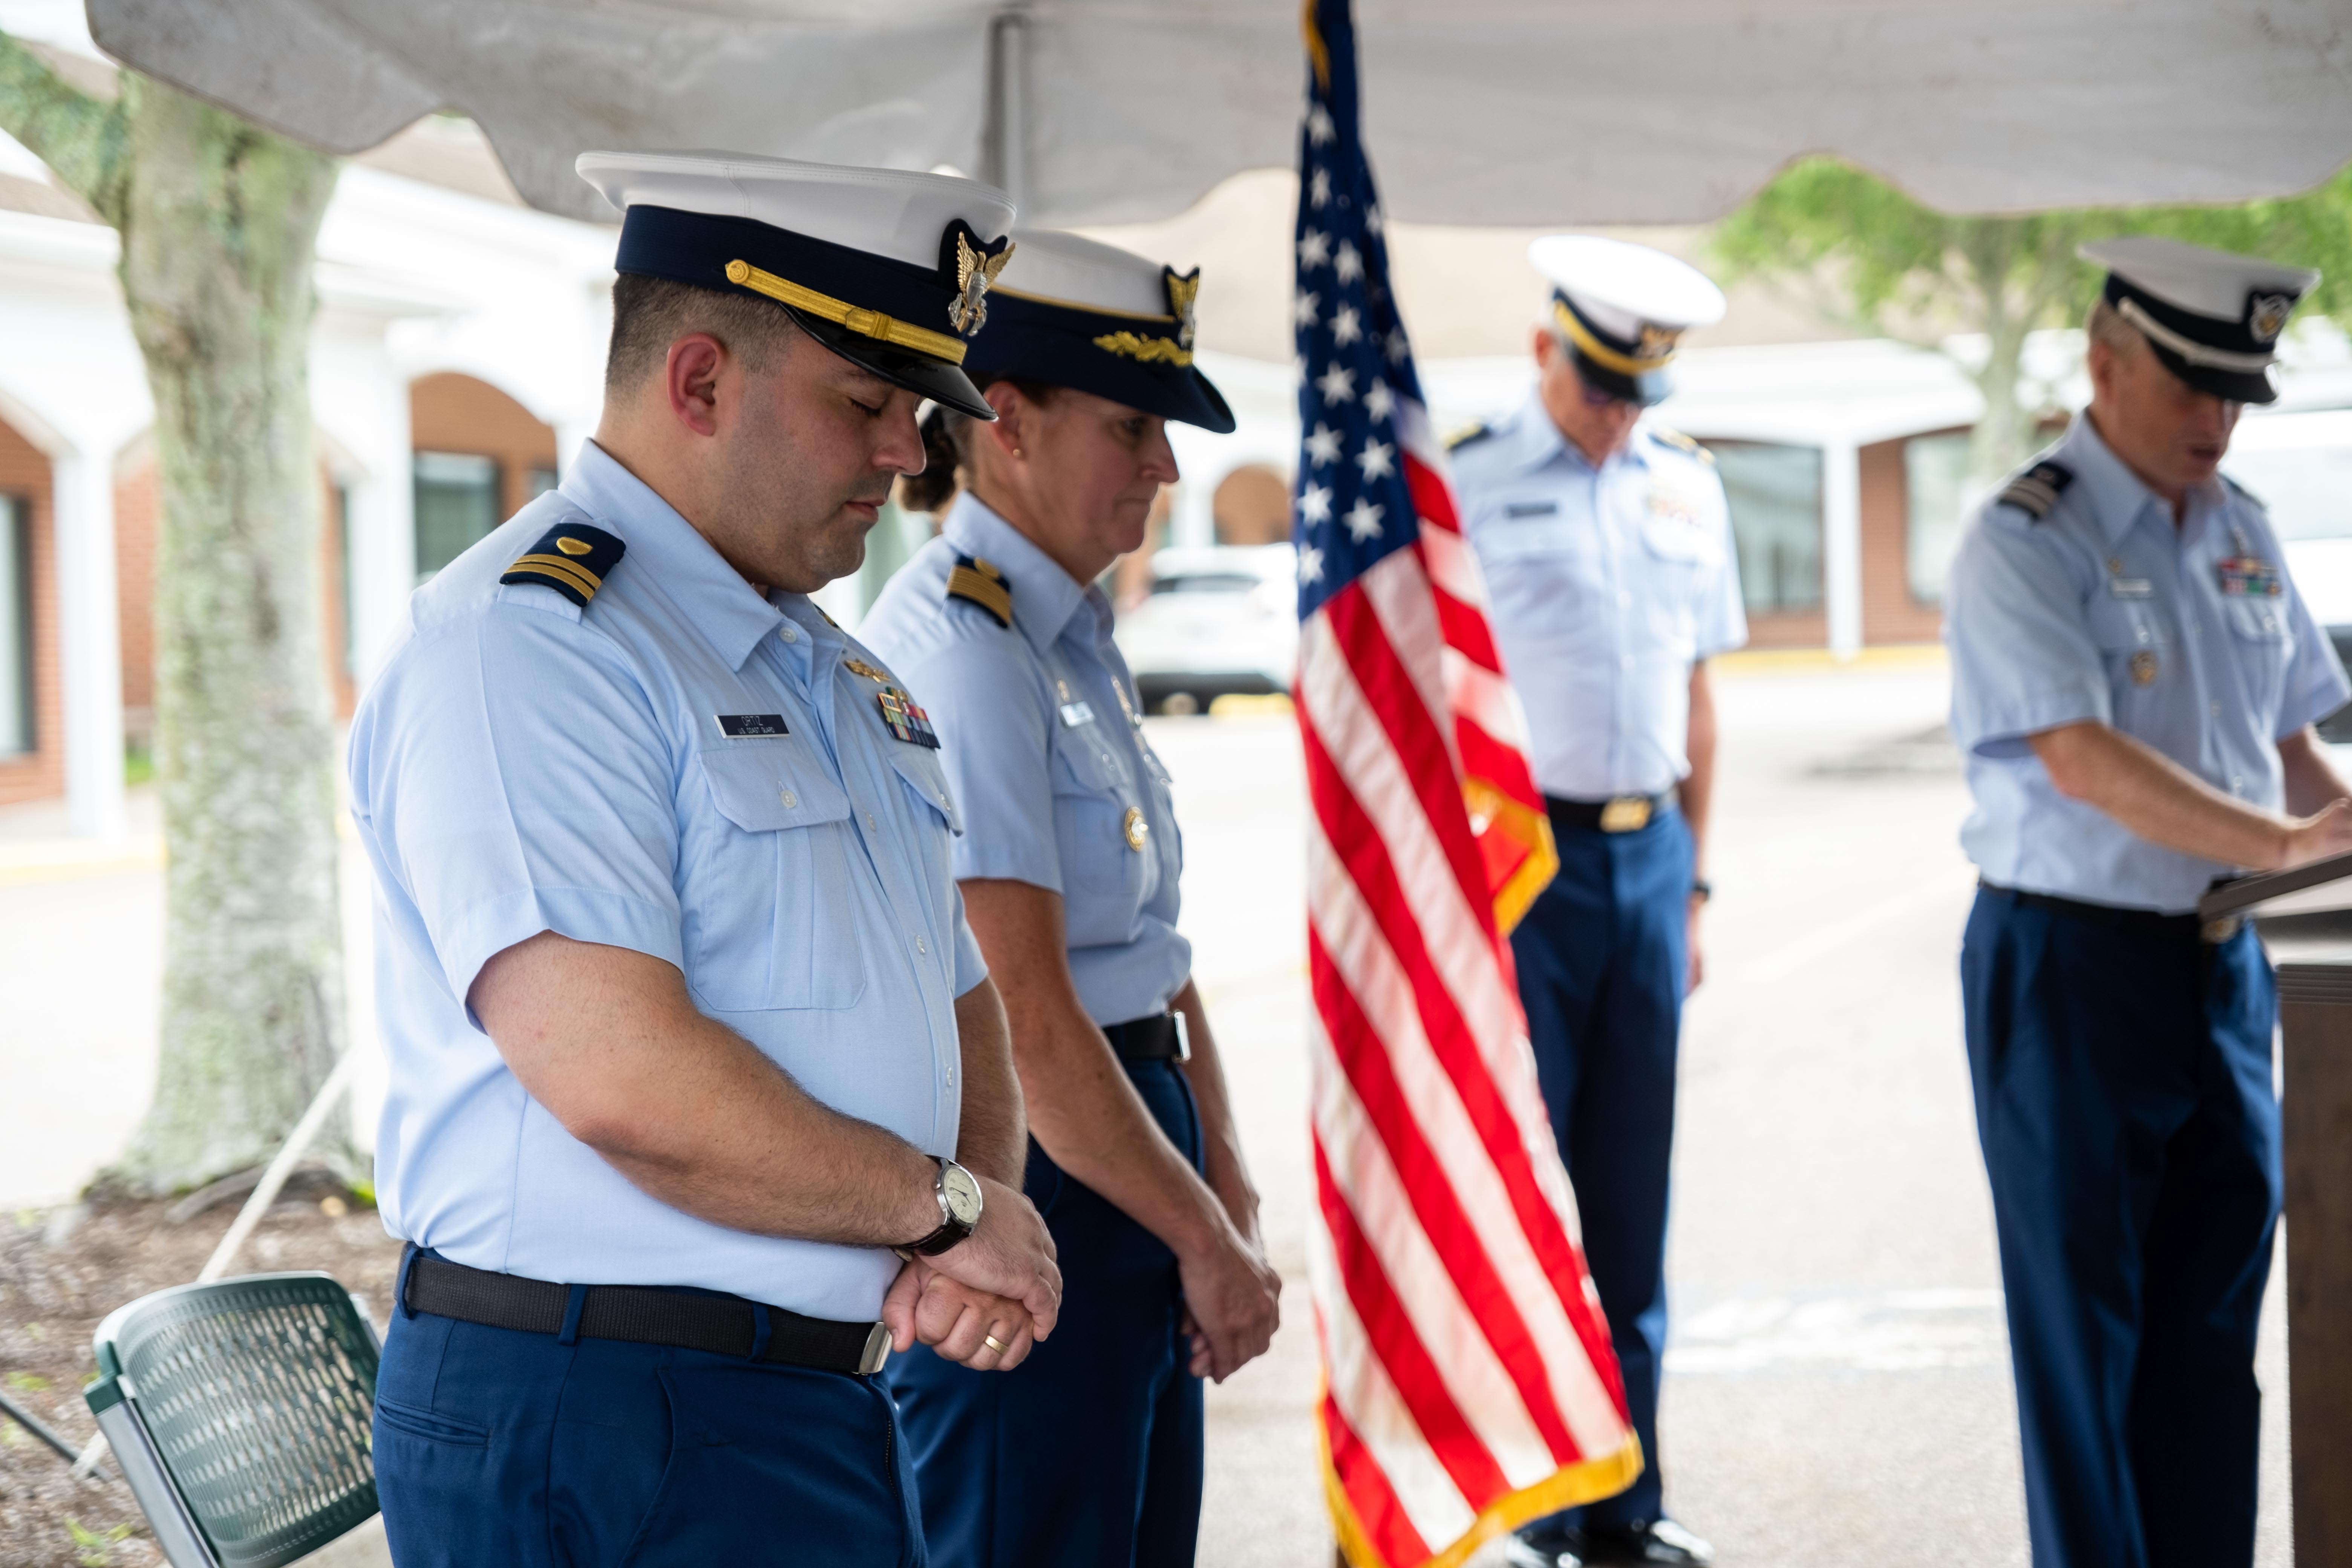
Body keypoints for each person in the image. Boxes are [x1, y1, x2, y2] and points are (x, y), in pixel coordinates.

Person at [349, 149, 1065, 1567]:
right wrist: (955, 1209)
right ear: (698, 383)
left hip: (793, 1400)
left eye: (917, 412)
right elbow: (625, 1082)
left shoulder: (823, 662)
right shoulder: (532, 647)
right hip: (609, 1404)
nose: (909, 455)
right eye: (866, 402)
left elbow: (957, 989)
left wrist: (967, 1218)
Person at [859, 229, 1282, 1568]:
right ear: (1009, 423)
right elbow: (1032, 1023)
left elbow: (1153, 955)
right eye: (1132, 427)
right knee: (1029, 1535)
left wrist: (1224, 1172)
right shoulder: (965, 653)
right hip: (1051, 1175)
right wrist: (1202, 1232)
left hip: (1131, 1161)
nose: (1164, 468)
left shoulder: (1068, 638)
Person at [1945, 235, 2352, 1568]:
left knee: (2210, 1339)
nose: (2218, 423)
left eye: (2237, 395)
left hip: (2220, 968)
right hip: (2069, 972)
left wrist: (2322, 818)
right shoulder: (2027, 537)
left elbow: (2292, 732)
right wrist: (2291, 839)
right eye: (2193, 390)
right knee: (2086, 1348)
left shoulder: (2240, 526)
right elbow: (2082, 757)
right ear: (2102, 361)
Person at [1452, 235, 1744, 1568]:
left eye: (1639, 392)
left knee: (1632, 1198)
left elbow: (1698, 701)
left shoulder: (1687, 490)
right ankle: (1523, 1507)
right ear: (1543, 352)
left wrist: (1692, 884)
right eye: (1597, 382)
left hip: (1643, 867)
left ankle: (1623, 1502)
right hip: (1520, 870)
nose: (1617, 412)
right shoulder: (1465, 480)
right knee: (1524, 1198)